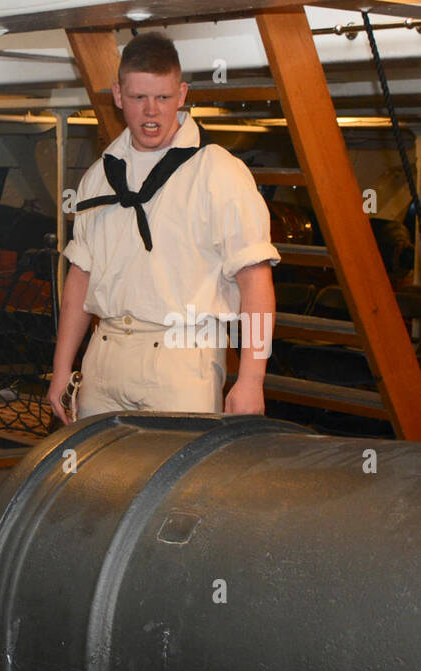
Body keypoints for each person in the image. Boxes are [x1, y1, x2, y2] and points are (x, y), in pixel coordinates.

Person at [47, 31, 278, 423]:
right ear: (118, 96)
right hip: (105, 356)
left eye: (163, 98)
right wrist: (61, 368)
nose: (151, 111)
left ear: (182, 94)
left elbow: (255, 281)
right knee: (98, 485)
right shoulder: (99, 177)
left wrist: (252, 377)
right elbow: (80, 279)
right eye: (138, 98)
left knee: (175, 482)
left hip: (182, 359)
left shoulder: (218, 171)